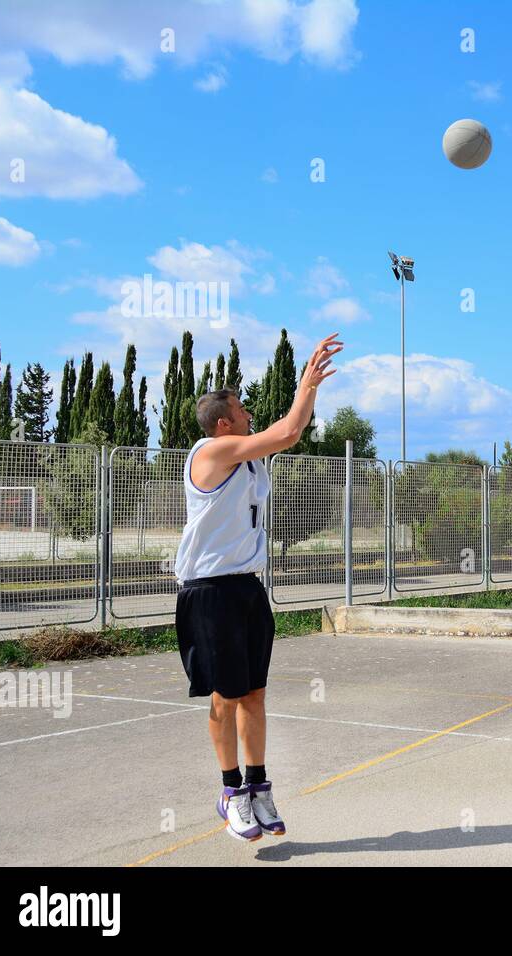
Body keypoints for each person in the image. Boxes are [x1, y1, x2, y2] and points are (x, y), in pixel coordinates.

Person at [174, 333, 343, 841]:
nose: (249, 414)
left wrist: (307, 395)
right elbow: (290, 430)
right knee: (224, 698)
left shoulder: (243, 456)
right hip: (209, 592)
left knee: (253, 695)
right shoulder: (213, 451)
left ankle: (257, 786)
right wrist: (307, 382)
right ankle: (229, 792)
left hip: (246, 589)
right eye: (242, 409)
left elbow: (291, 430)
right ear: (223, 421)